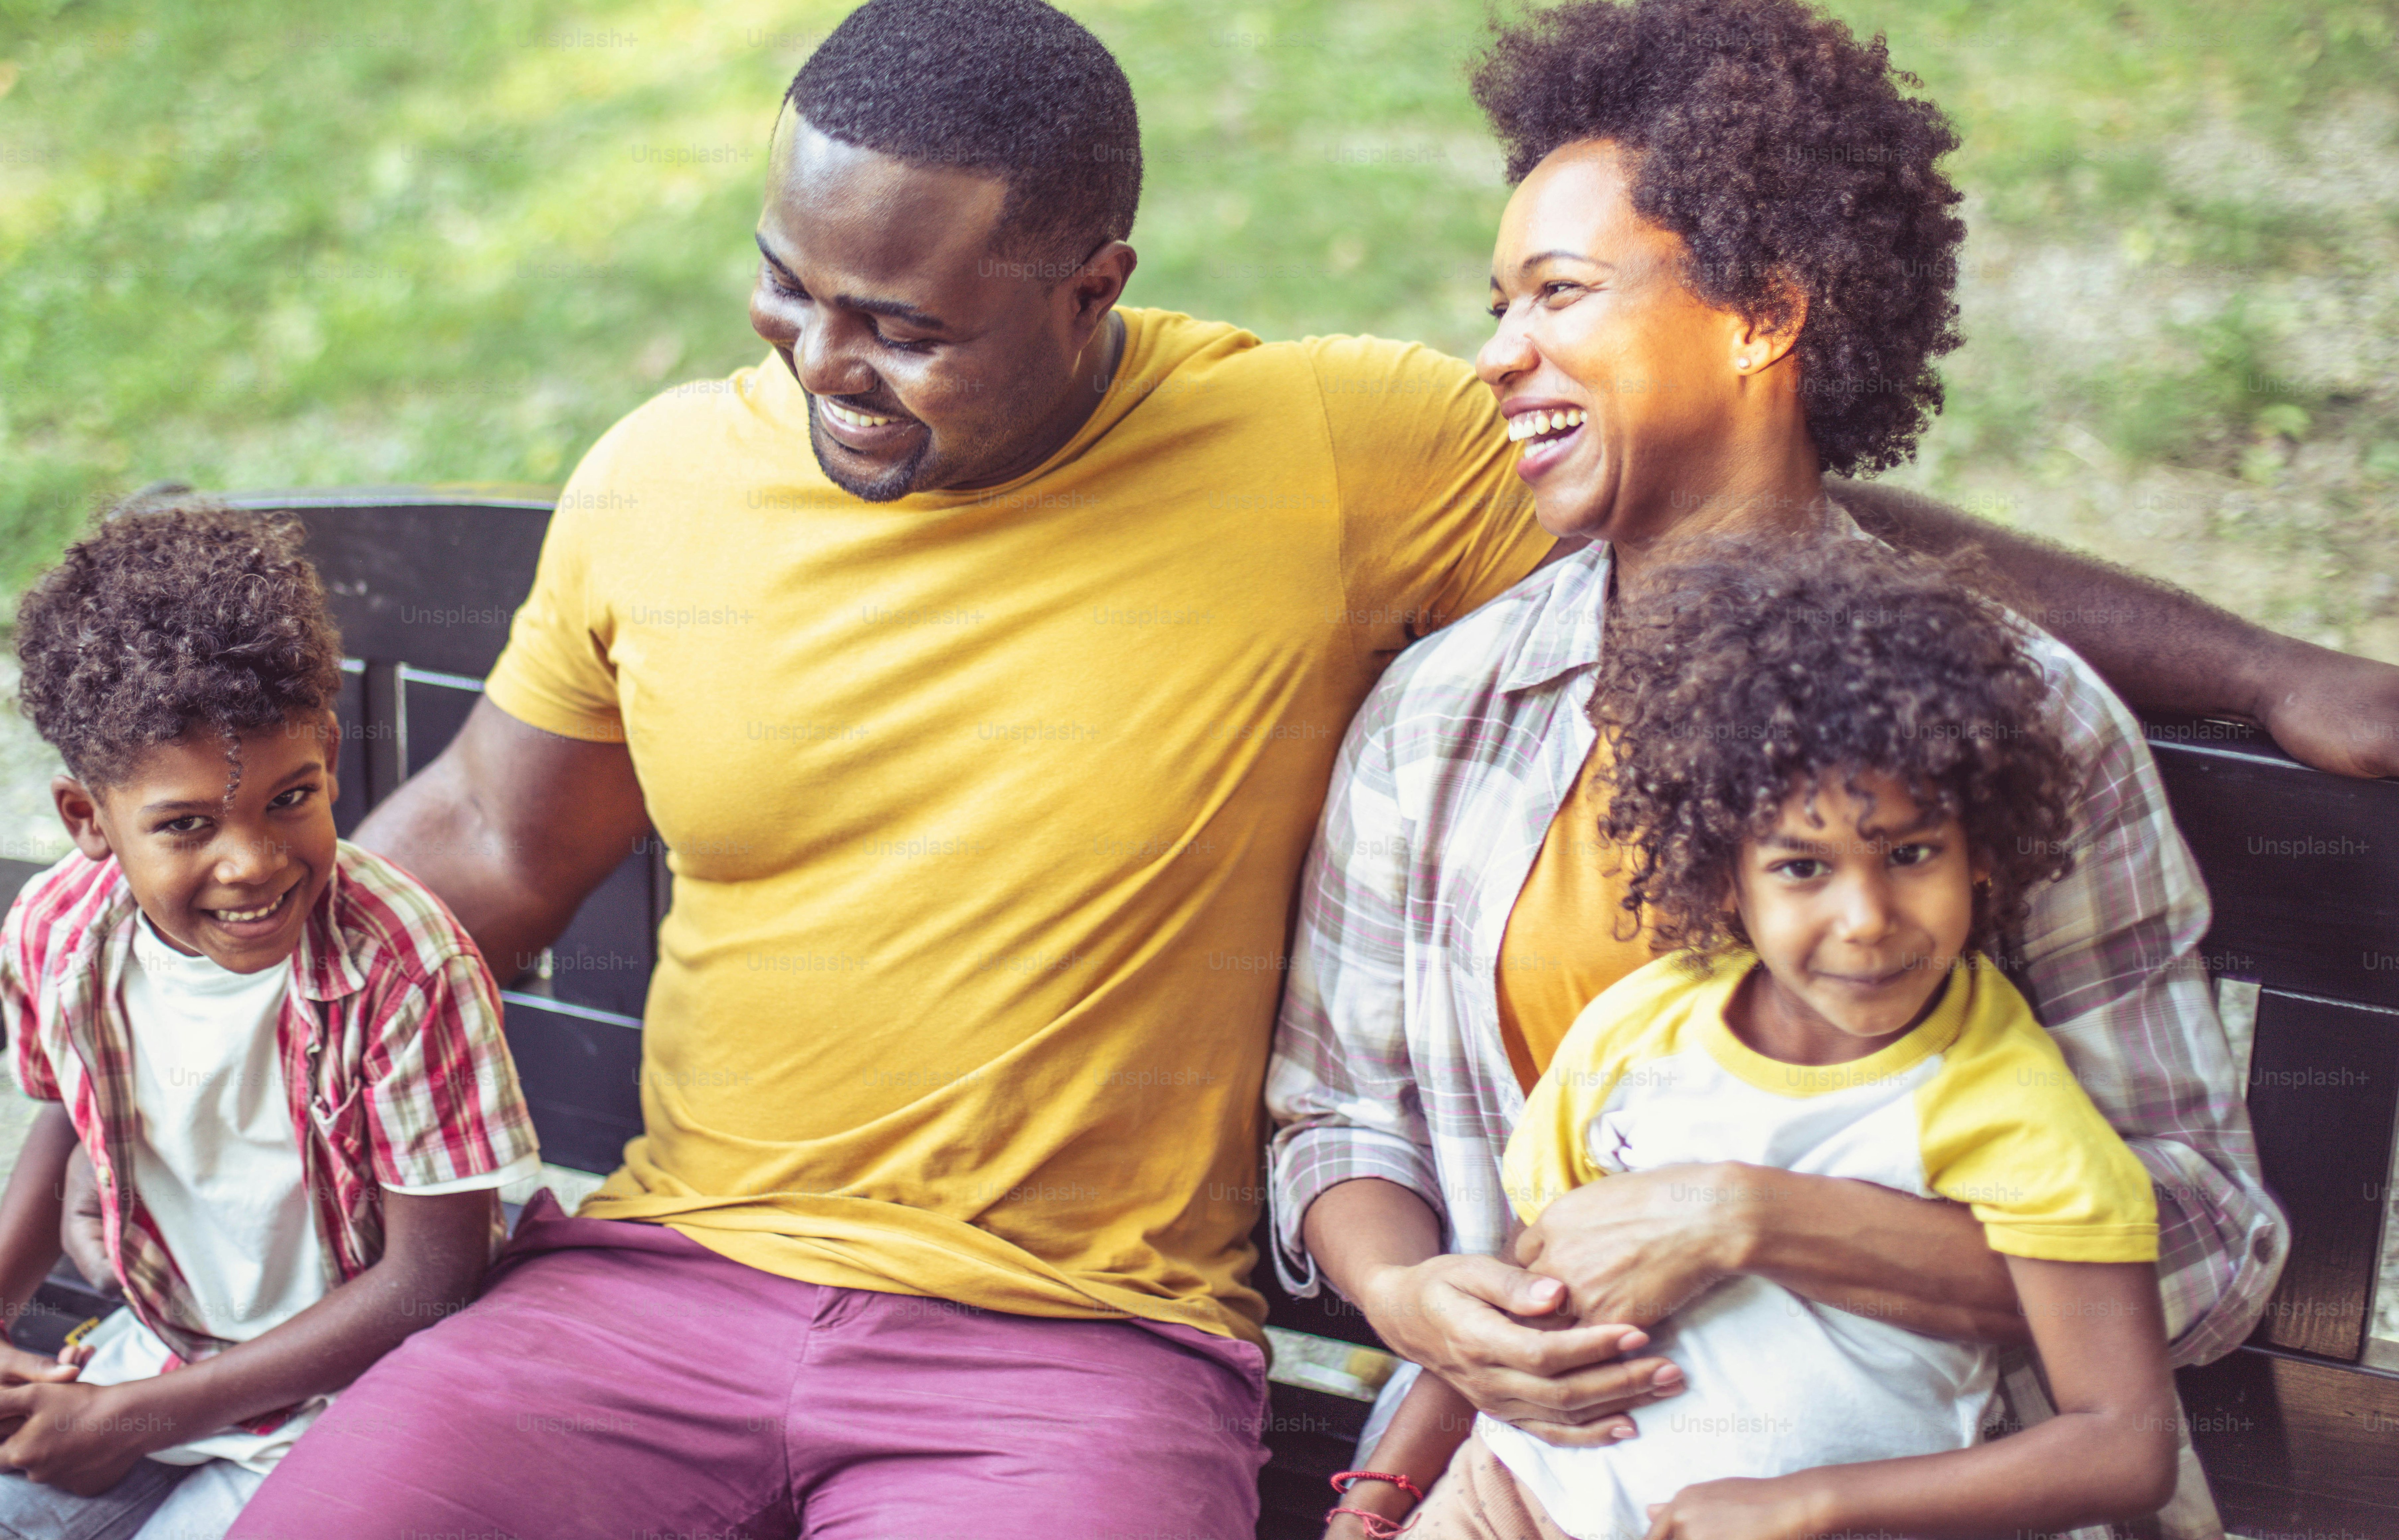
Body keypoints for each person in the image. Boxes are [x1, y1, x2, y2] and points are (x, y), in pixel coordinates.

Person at [222, 0, 2365, 1531]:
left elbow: (1762, 512)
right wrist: (164, 1039)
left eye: (901, 323)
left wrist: (2261, 667)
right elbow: (493, 834)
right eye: (789, 292)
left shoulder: (1349, 457)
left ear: (1091, 289)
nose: (820, 366)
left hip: (1156, 1366)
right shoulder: (684, 476)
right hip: (719, 1291)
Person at [1271, 3, 2271, 1535]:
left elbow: (2202, 1239)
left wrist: (1757, 1223)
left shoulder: (2012, 726)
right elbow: (1336, 1115)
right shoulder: (1446, 714)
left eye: (1560, 293)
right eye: (1498, 299)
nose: (1496, 354)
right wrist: (1411, 1294)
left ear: (1764, 314)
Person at [1333, 540, 2177, 1540]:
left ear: (1981, 853)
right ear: (1726, 876)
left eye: (1911, 854)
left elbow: (2126, 1444)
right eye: (1802, 866)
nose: (1866, 915)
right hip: (1515, 1499)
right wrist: (1387, 1488)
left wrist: (1811, 1505)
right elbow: (1536, 1292)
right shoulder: (1639, 1034)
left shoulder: (2013, 1109)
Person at [0, 500, 539, 1540]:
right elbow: (66, 1114)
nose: (251, 862)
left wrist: (130, 1420)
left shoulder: (402, 966)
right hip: (167, 1348)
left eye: (291, 797)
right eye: (187, 825)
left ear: (332, 755)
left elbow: (433, 1279)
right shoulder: (59, 935)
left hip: (367, 1389)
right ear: (87, 820)